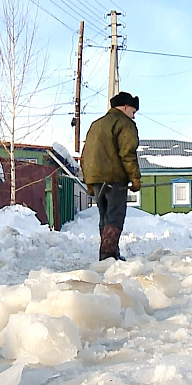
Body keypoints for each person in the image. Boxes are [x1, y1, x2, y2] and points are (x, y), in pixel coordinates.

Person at [80, 91, 142, 261]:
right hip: (115, 180)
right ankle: (107, 256)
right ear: (124, 107)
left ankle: (110, 253)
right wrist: (135, 178)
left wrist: (89, 182)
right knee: (115, 216)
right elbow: (127, 153)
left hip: (96, 179)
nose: (134, 116)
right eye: (133, 111)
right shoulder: (125, 124)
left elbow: (86, 155)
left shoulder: (96, 125)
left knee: (105, 216)